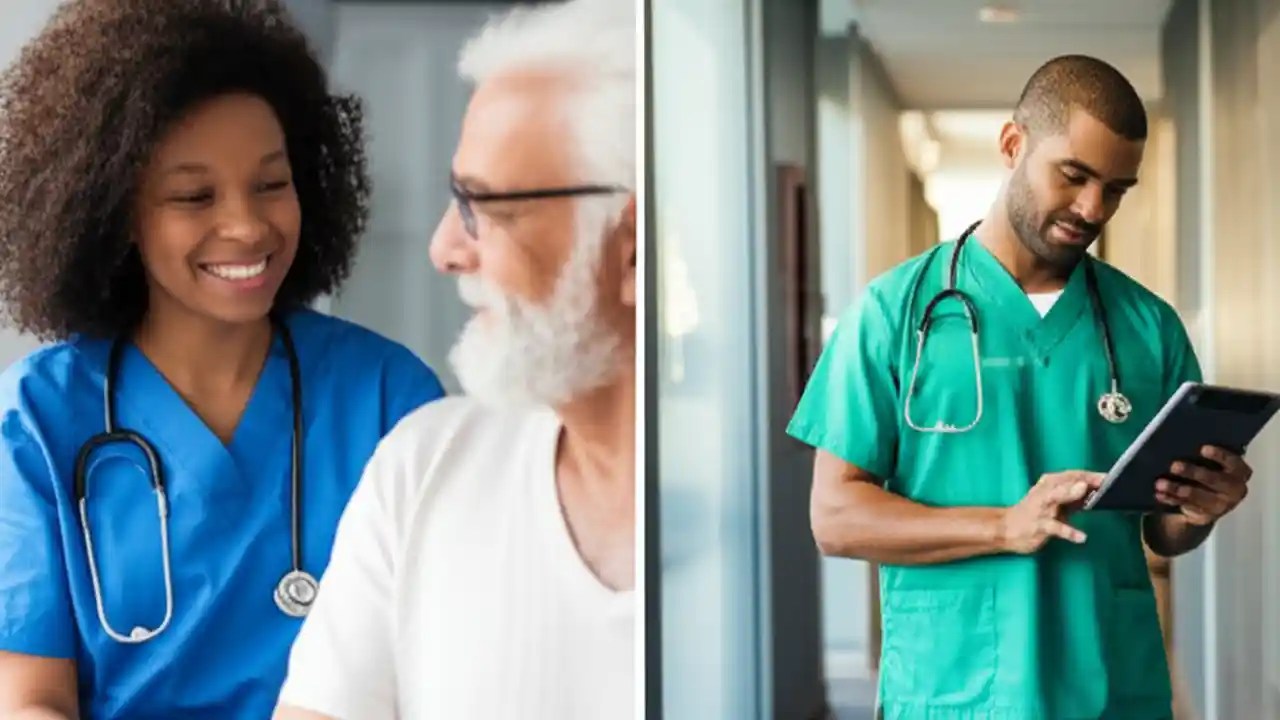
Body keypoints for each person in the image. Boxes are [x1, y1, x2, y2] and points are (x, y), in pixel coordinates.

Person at [0, 1, 446, 718]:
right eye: (194, 196)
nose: (246, 225)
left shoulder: (390, 399)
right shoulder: (38, 420)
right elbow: (29, 702)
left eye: (272, 184)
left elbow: (448, 668)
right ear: (116, 211)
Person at [787, 55, 1252, 720]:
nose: (1092, 208)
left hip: (1111, 693)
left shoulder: (1149, 328)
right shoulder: (894, 313)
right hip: (952, 694)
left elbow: (1162, 531)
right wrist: (1004, 527)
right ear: (1013, 145)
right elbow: (835, 518)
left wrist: (1198, 512)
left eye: (1116, 189)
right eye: (1074, 175)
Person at [272, 1, 636, 718]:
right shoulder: (422, 467)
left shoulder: (755, 543)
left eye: (483, 207)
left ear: (632, 250)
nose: (444, 248)